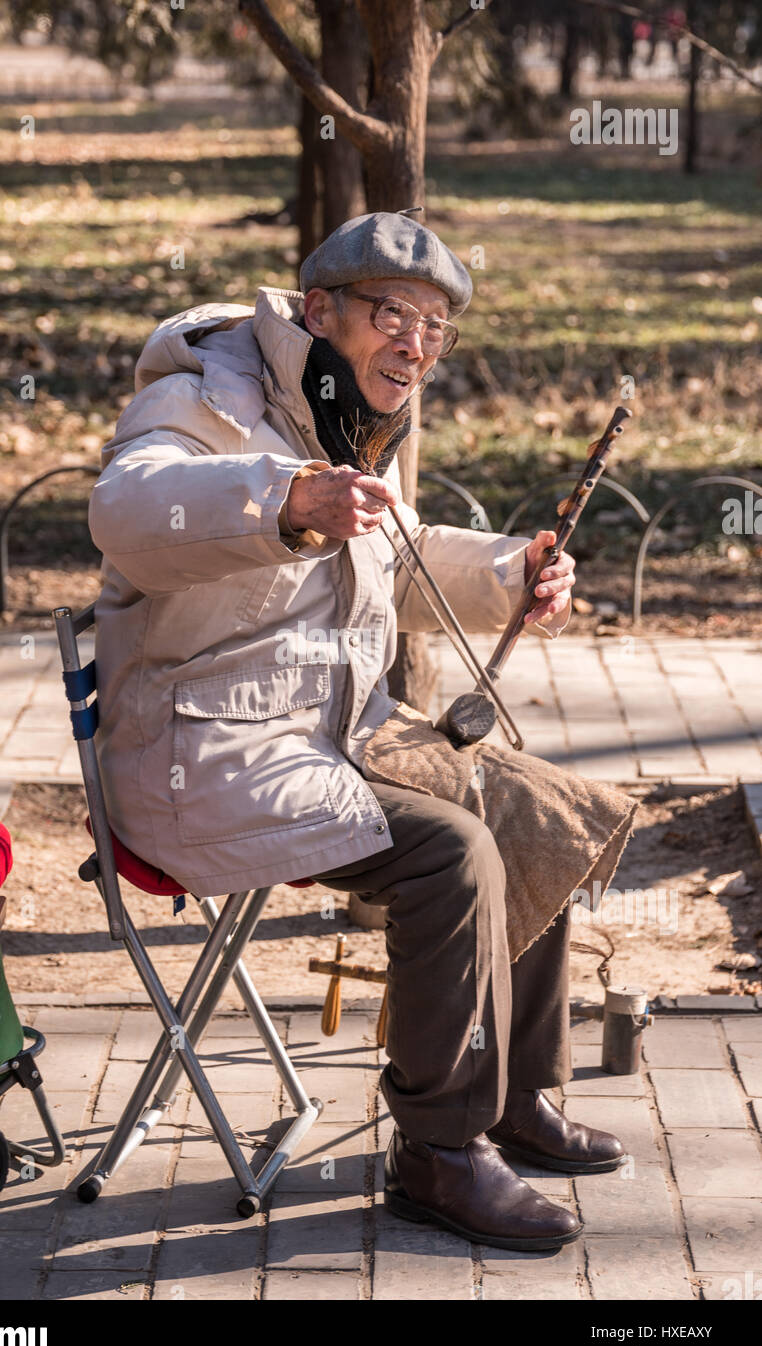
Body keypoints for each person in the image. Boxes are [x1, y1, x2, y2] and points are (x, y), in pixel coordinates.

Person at [88, 211, 629, 1253]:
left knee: (524, 802)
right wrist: (284, 500)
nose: (416, 345)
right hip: (200, 757)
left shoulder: (333, 415)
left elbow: (397, 543)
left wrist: (509, 571)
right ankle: (436, 1149)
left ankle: (513, 1091)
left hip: (322, 738)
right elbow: (126, 508)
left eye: (435, 327)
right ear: (317, 310)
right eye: (394, 314)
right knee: (450, 852)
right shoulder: (202, 396)